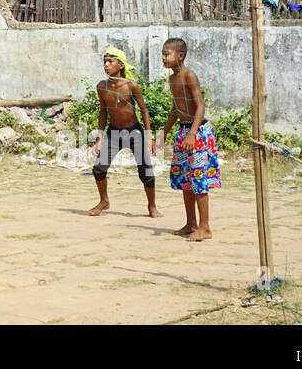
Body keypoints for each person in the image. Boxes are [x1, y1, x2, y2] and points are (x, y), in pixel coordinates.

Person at [158, 37, 218, 241]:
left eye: (167, 53)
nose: (163, 57)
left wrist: (192, 133)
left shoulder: (189, 76)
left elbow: (200, 106)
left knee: (199, 180)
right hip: (184, 131)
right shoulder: (173, 79)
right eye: (163, 53)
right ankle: (191, 223)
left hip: (197, 131)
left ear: (180, 56)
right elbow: (177, 108)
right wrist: (165, 131)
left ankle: (205, 227)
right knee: (185, 180)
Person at [88, 47, 159, 218]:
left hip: (134, 132)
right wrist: (100, 138)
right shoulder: (102, 87)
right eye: (104, 61)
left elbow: (144, 110)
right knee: (99, 169)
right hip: (114, 133)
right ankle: (104, 201)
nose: (106, 65)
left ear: (120, 65)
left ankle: (152, 206)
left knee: (146, 172)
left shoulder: (131, 86)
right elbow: (103, 112)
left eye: (110, 61)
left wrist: (149, 136)